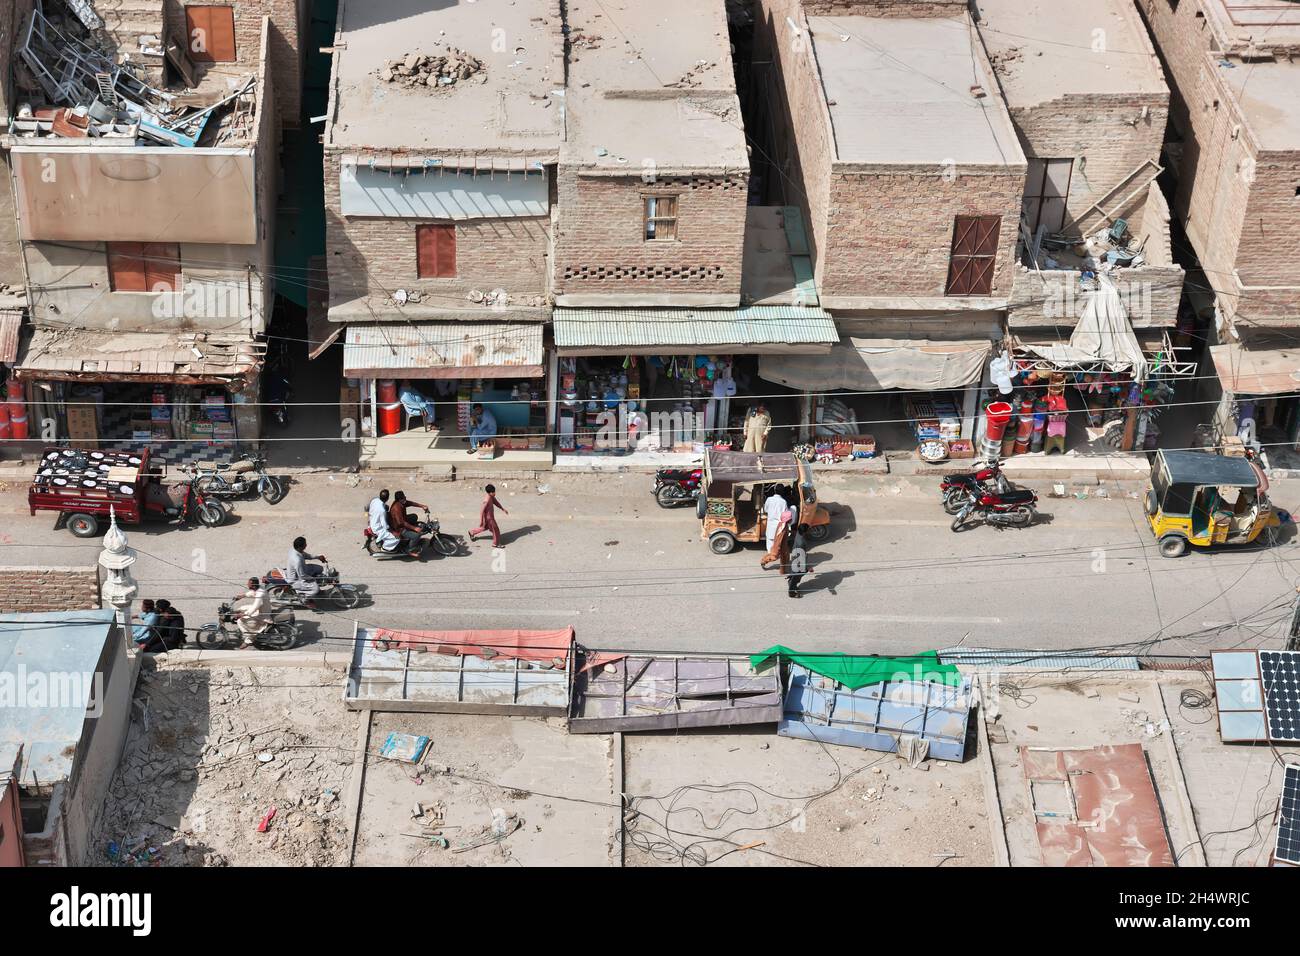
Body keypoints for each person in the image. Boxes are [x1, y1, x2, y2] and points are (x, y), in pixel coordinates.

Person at [284, 536, 324, 606]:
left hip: (302, 569)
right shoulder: (297, 560)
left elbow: (306, 555)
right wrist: (313, 579)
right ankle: (304, 599)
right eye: (305, 544)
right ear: (300, 546)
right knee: (316, 589)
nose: (306, 545)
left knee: (319, 568)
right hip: (295, 579)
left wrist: (318, 557)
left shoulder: (295, 550)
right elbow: (302, 576)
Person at [468, 483, 509, 548]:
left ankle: (472, 532)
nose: (495, 493)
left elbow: (496, 502)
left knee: (484, 527)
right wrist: (481, 521)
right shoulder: (486, 500)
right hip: (489, 519)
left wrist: (502, 509)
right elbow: (481, 511)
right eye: (493, 492)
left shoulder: (491, 497)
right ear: (490, 493)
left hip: (489, 518)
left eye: (495, 491)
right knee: (496, 530)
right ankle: (496, 543)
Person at [234, 577, 271, 647]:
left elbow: (255, 606)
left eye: (249, 584)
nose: (247, 584)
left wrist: (243, 614)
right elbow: (253, 592)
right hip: (260, 609)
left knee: (240, 621)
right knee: (241, 608)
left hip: (262, 614)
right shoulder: (259, 588)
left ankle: (249, 640)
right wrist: (242, 595)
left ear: (253, 585)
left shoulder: (260, 594)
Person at [763, 485, 789, 552]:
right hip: (779, 525)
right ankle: (776, 553)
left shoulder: (769, 499)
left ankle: (770, 554)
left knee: (769, 540)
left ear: (774, 490)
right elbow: (785, 514)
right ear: (783, 492)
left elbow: (765, 510)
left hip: (770, 524)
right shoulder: (783, 502)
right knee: (777, 541)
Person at [786, 524, 809, 599]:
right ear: (805, 532)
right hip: (798, 560)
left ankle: (791, 579)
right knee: (798, 574)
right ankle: (791, 593)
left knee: (797, 573)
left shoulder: (798, 534)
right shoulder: (801, 542)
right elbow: (801, 557)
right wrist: (806, 566)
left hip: (795, 554)